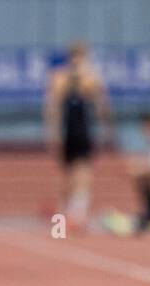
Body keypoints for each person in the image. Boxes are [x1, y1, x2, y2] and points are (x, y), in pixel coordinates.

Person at [43, 42, 112, 229]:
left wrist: (107, 128)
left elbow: (101, 105)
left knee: (83, 170)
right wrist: (52, 132)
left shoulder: (89, 78)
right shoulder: (61, 77)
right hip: (68, 130)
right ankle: (66, 210)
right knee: (67, 172)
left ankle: (77, 211)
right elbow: (52, 106)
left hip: (82, 129)